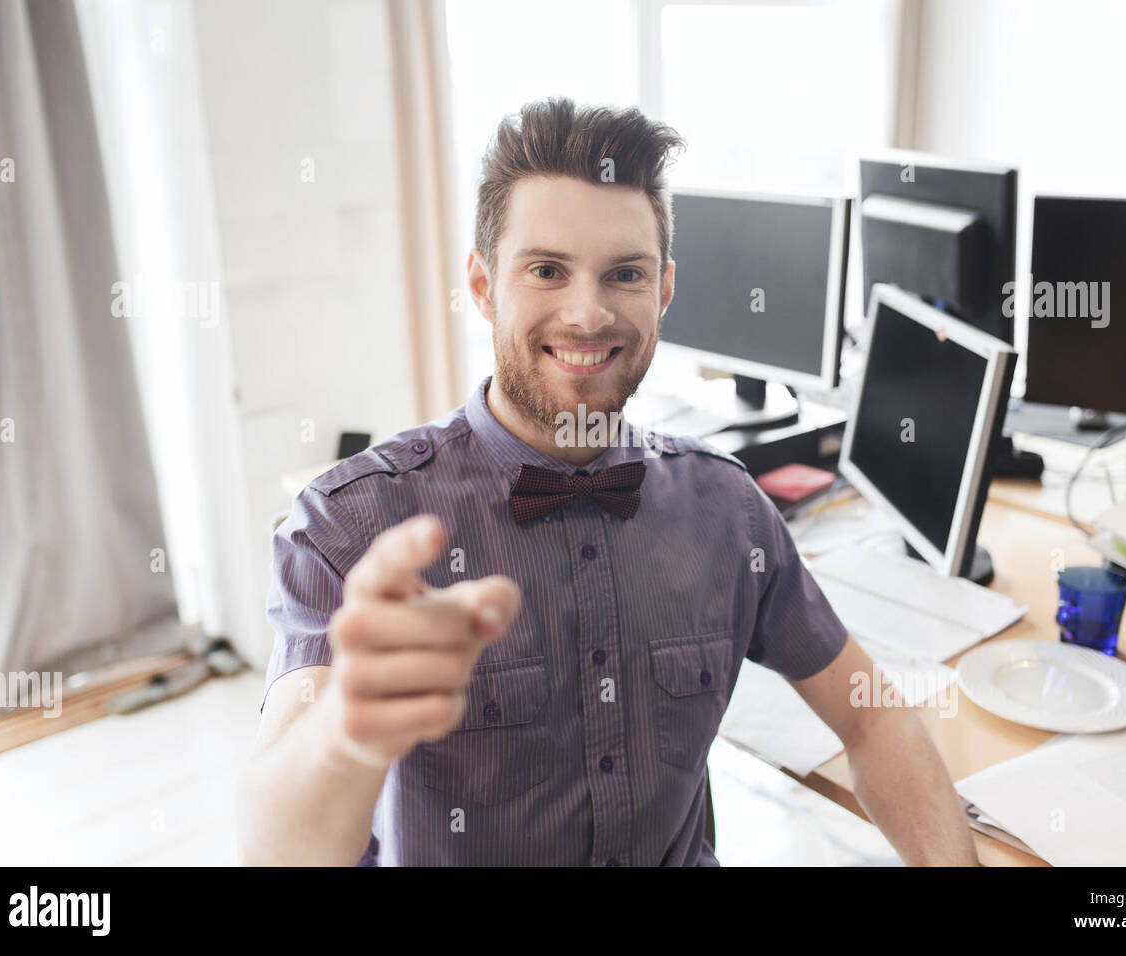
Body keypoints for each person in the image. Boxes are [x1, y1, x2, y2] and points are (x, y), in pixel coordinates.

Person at [238, 96, 979, 866]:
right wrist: (346, 729)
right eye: (547, 270)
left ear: (661, 291)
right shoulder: (349, 528)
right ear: (485, 286)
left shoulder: (728, 512)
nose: (588, 314)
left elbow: (874, 718)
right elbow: (276, 848)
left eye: (623, 274)